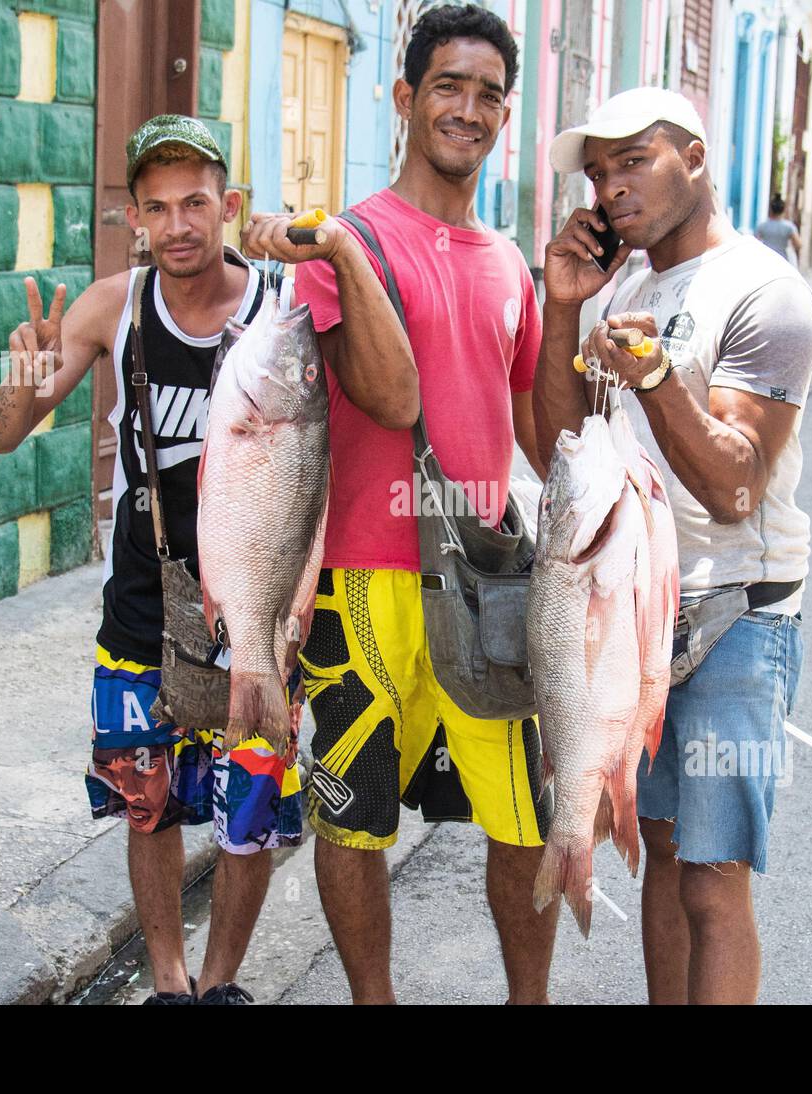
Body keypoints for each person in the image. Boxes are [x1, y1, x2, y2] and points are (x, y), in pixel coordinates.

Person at [239, 3, 553, 1005]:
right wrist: (340, 251)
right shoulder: (347, 241)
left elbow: (541, 434)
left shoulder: (508, 262)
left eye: (489, 95)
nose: (469, 110)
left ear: (505, 115)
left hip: (484, 584)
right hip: (366, 582)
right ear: (406, 97)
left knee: (524, 820)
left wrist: (580, 302)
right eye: (449, 87)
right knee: (353, 820)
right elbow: (389, 394)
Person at [0, 115, 304, 1005]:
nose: (179, 225)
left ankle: (221, 984)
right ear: (135, 218)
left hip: (260, 600)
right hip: (142, 602)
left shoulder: (283, 308)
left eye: (196, 202)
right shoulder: (112, 307)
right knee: (146, 800)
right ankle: (167, 984)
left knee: (251, 808)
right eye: (157, 208)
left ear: (228, 205)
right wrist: (20, 385)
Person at [535, 86, 812, 1004]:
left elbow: (736, 487)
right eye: (599, 173)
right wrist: (559, 310)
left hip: (737, 615)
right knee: (656, 851)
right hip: (639, 620)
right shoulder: (617, 292)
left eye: (634, 161)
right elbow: (558, 453)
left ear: (694, 158)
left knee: (712, 872)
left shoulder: (765, 293)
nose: (613, 187)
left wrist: (657, 374)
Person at [754, 193, 802, 263]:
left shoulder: (762, 226)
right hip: (782, 259)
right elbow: (798, 245)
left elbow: (755, 242)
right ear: (783, 210)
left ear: (771, 209)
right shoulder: (789, 227)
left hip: (765, 259)